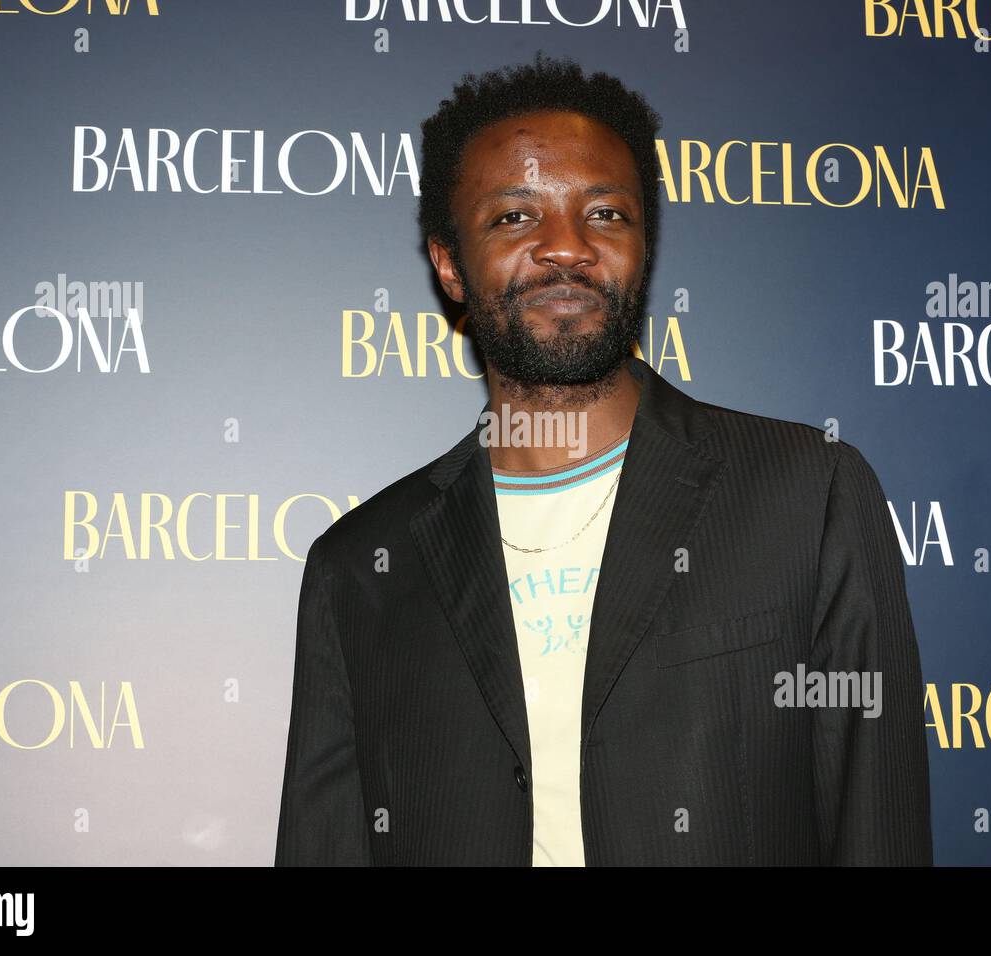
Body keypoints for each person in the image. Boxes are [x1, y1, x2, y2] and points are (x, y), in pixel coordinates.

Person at [275, 53, 933, 866]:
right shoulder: (363, 566)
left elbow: (879, 823)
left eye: (606, 215)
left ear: (644, 247)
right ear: (449, 265)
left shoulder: (806, 491)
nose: (568, 248)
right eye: (516, 217)